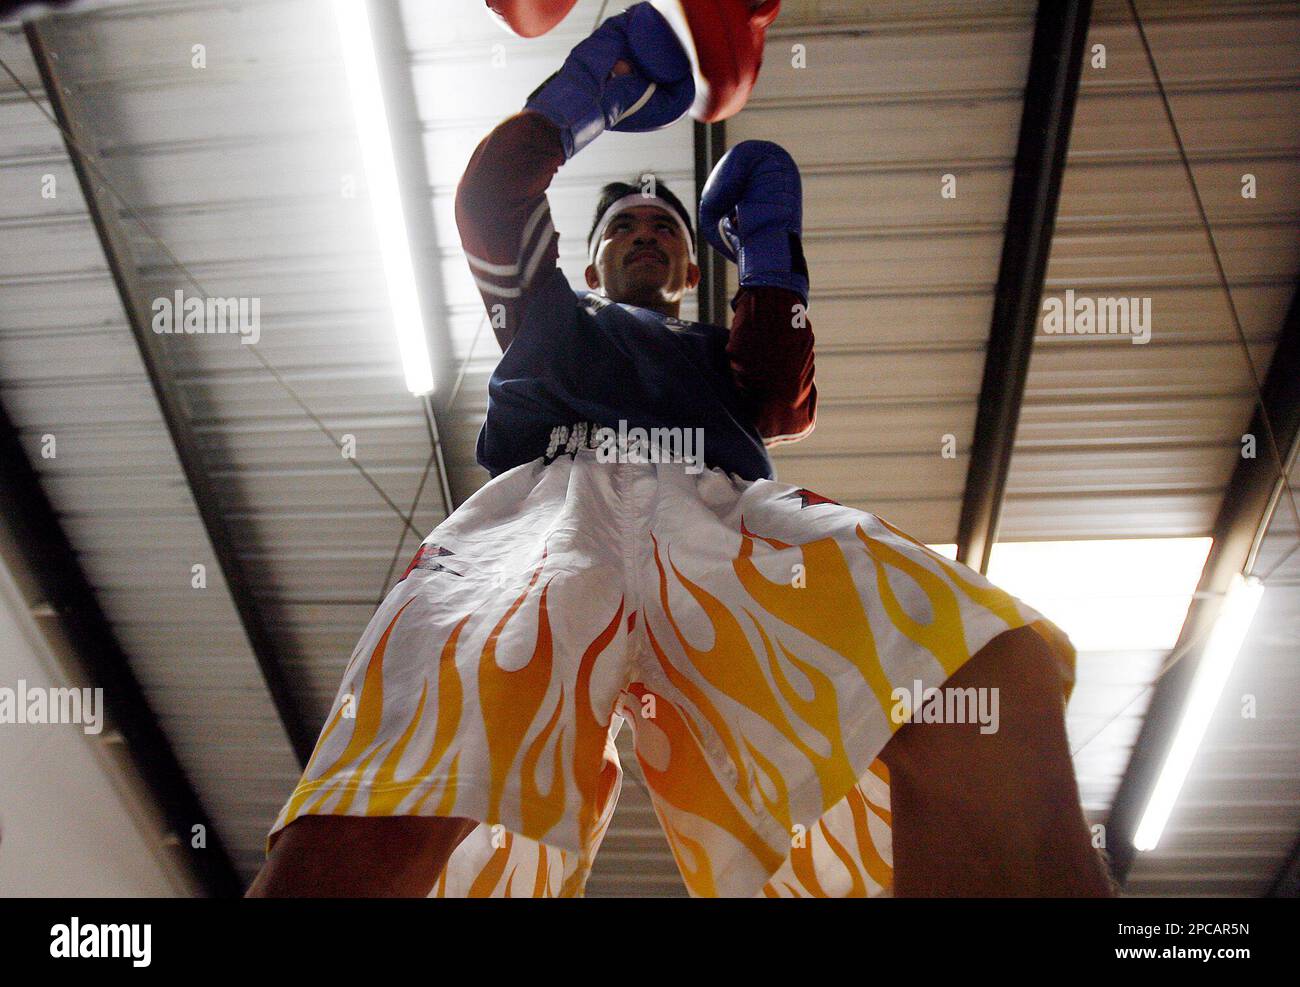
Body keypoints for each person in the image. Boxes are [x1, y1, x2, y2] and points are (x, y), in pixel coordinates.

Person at [248, 3, 1115, 898]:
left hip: (721, 511)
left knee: (989, 670)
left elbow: (779, 387)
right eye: (622, 226)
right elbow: (490, 201)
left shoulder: (720, 356)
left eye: (664, 229)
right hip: (541, 517)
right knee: (381, 818)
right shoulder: (544, 315)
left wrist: (772, 247)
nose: (644, 234)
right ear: (588, 262)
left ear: (695, 270)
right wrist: (598, 82)